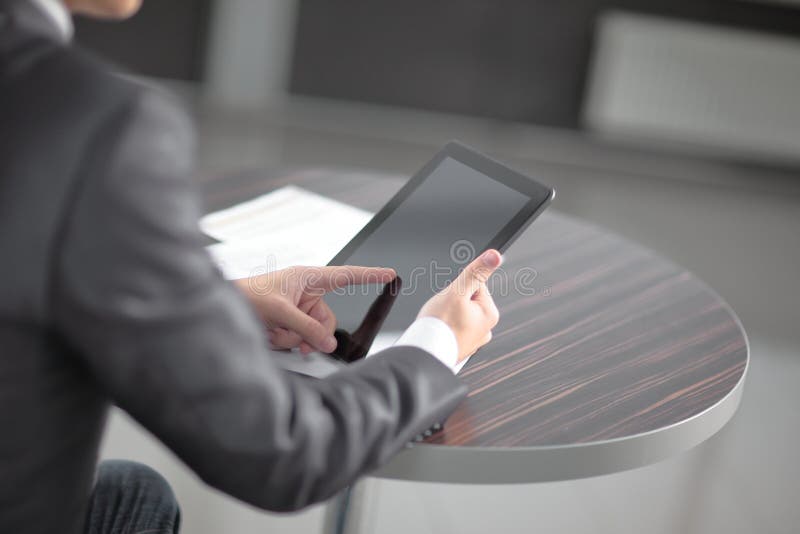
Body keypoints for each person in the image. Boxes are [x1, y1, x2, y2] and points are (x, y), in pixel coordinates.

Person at [0, 0, 503, 533]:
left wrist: (221, 299)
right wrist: (436, 345)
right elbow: (279, 452)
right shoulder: (92, 122)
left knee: (132, 491)